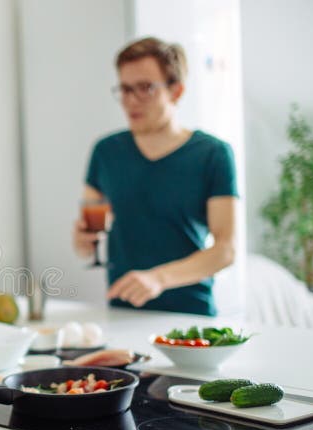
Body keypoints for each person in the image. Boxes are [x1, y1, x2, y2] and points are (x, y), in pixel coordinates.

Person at [73, 37, 238, 316]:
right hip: (122, 313)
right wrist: (82, 242)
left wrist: (158, 278)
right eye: (124, 89)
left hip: (189, 316)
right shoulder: (106, 151)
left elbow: (225, 249)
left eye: (145, 88)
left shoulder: (213, 154)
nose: (130, 101)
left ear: (176, 91)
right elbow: (88, 239)